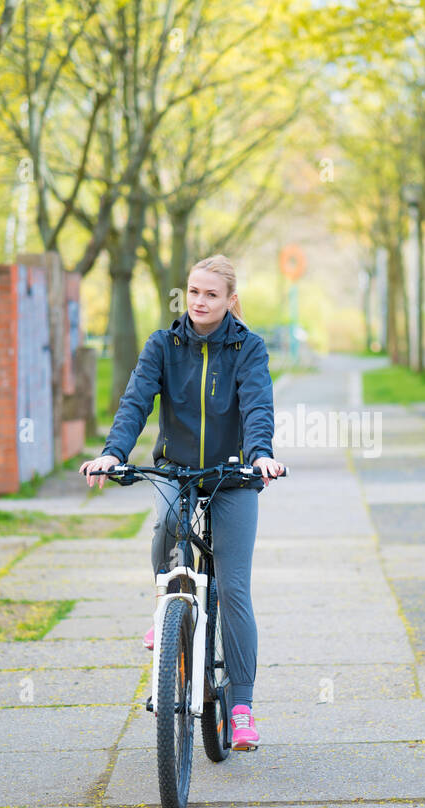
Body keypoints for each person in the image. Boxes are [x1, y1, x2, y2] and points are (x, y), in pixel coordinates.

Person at [79, 255, 284, 751]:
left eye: (211, 294)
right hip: (176, 467)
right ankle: (164, 611)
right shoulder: (163, 346)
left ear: (231, 300)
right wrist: (112, 454)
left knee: (233, 589)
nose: (200, 301)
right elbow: (135, 402)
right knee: (167, 520)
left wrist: (261, 457)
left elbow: (257, 405)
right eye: (194, 292)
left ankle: (241, 709)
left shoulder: (248, 348)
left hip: (233, 475)